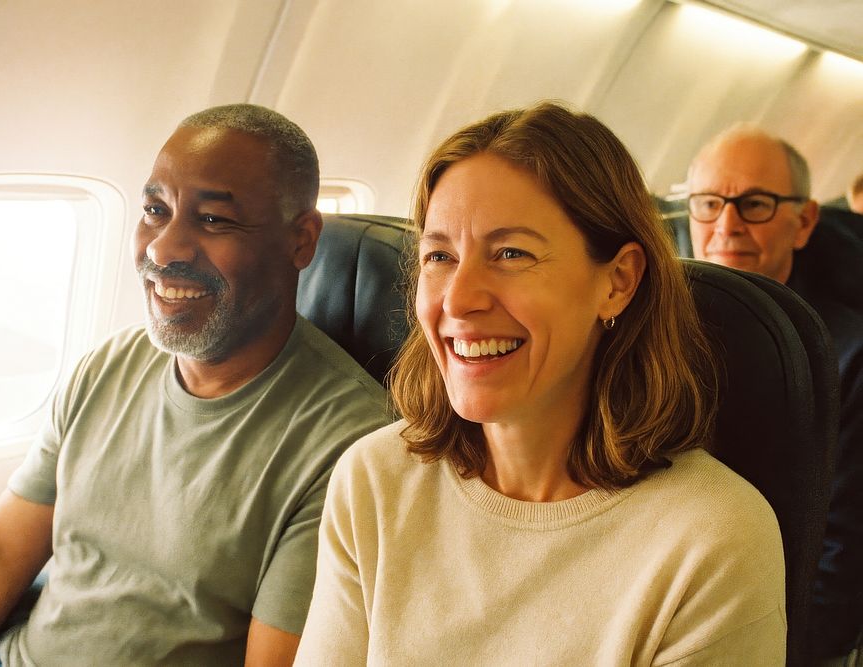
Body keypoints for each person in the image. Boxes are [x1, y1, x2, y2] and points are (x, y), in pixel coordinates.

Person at [0, 104, 389, 666]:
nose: (163, 249)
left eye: (213, 220)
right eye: (155, 210)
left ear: (301, 241)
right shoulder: (106, 366)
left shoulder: (351, 448)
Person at [294, 103, 785, 665]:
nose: (459, 297)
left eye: (511, 253)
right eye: (440, 256)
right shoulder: (375, 480)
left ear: (618, 282)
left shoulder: (712, 539)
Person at [688, 125, 863, 664]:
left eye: (755, 205)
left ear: (804, 221)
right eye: (709, 204)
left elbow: (844, 547)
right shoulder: (641, 336)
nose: (727, 226)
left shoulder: (849, 359)